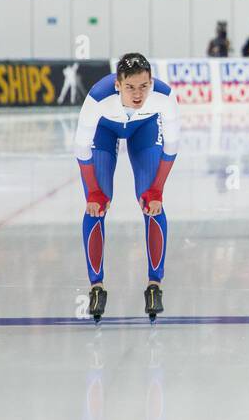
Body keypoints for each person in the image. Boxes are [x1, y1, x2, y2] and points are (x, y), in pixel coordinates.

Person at [73, 53, 182, 322]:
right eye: (130, 87)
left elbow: (171, 145)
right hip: (104, 131)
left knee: (152, 204)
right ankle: (96, 286)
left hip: (144, 129)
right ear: (117, 85)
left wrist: (157, 188)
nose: (138, 94)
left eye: (144, 86)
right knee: (96, 205)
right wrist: (93, 190)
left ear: (151, 82)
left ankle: (154, 284)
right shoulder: (99, 97)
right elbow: (81, 147)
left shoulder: (163, 96)